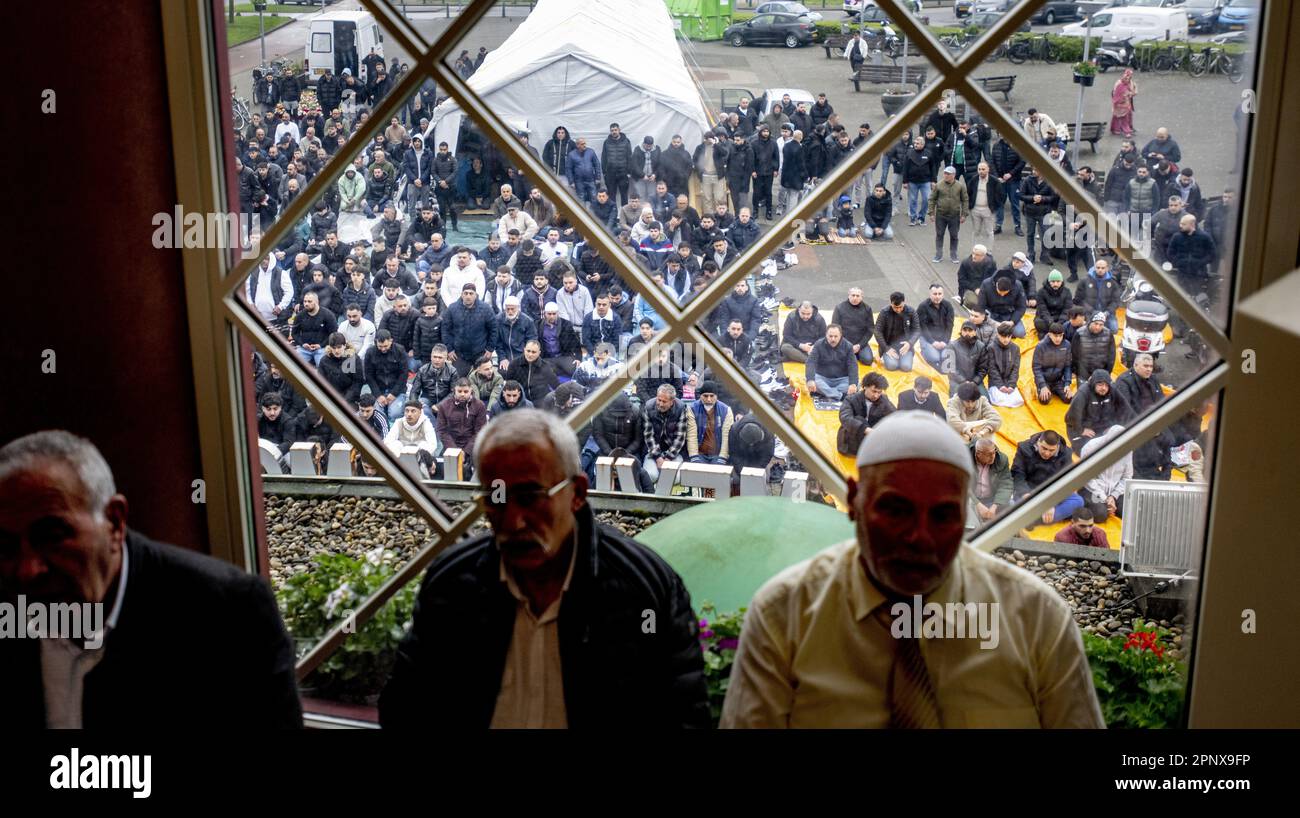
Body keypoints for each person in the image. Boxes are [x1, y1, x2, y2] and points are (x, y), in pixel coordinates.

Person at [721, 411, 1103, 728]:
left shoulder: (1035, 618)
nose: (920, 537)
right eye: (896, 511)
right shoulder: (784, 615)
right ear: (853, 501)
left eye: (942, 515)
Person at [380, 409, 709, 728]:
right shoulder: (453, 585)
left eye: (530, 497)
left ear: (577, 493)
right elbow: (407, 707)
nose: (513, 521)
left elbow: (681, 715)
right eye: (495, 500)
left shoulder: (642, 589)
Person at [0, 432, 303, 728]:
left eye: (52, 537)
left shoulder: (228, 613)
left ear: (115, 523)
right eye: (5, 545)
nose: (28, 569)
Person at [1112, 353, 1177, 480]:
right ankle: (1139, 472)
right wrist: (1147, 427)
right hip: (1133, 425)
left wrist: (1158, 424)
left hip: (1153, 422)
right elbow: (1125, 412)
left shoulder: (1153, 379)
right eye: (1145, 366)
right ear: (1135, 365)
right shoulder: (1124, 381)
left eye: (1151, 366)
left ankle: (1165, 470)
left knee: (1171, 439)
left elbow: (1161, 403)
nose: (1149, 369)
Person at [1011, 430, 1084, 527]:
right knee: (1011, 503)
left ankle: (1033, 519)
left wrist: (1051, 503)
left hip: (1052, 492)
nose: (1047, 453)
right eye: (1044, 448)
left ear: (1057, 447)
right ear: (1038, 442)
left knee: (1078, 501)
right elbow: (1017, 474)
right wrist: (1026, 495)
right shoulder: (1024, 448)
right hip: (1030, 490)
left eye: (1051, 450)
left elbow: (1066, 481)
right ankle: (1039, 518)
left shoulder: (1066, 453)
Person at [1079, 426, 1132, 524]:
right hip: (1093, 490)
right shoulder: (1090, 447)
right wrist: (1104, 498)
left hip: (1114, 491)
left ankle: (1110, 504)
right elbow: (1087, 478)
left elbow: (1127, 477)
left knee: (1128, 512)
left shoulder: (1127, 450)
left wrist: (1113, 496)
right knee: (1100, 514)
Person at [836, 372, 895, 456]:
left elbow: (895, 415)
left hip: (871, 437)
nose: (876, 395)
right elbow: (845, 418)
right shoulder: (851, 399)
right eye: (874, 391)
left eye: (879, 392)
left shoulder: (883, 399)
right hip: (851, 439)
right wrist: (866, 429)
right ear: (865, 386)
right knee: (859, 419)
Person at [643, 383, 688, 486]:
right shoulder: (649, 406)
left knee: (674, 478)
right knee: (650, 475)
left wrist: (668, 458)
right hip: (653, 451)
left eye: (664, 401)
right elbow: (648, 435)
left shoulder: (681, 408)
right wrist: (658, 457)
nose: (661, 404)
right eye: (659, 400)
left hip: (674, 452)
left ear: (672, 402)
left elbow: (680, 438)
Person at [805, 324, 859, 403]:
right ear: (826, 335)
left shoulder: (848, 346)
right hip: (823, 378)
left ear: (840, 335)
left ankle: (825, 392)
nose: (833, 339)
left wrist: (853, 384)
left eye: (836, 336)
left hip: (842, 379)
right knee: (812, 380)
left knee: (856, 384)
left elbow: (853, 365)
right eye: (830, 336)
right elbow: (811, 362)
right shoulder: (818, 344)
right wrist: (810, 380)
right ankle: (840, 396)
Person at [685, 382, 733, 465]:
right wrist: (694, 457)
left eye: (712, 396)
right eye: (705, 396)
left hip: (717, 454)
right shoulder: (692, 409)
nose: (709, 399)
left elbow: (726, 436)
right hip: (700, 453)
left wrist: (722, 458)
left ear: (716, 396)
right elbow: (691, 435)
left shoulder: (726, 410)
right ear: (700, 396)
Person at [1019, 166, 1058, 265]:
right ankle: (1031, 254)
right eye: (1033, 169)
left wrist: (1042, 199)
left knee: (1046, 234)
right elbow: (1021, 195)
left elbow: (1054, 197)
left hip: (1044, 213)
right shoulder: (1028, 180)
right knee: (1030, 234)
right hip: (1030, 212)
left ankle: (1044, 255)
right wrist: (1033, 198)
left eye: (1036, 169)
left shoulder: (1050, 181)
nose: (1034, 171)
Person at [969, 436, 1012, 523]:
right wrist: (978, 505)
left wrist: (995, 506)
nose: (993, 456)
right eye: (989, 454)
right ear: (978, 453)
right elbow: (961, 486)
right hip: (971, 501)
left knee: (1012, 505)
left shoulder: (1002, 459)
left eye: (994, 452)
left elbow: (1006, 484)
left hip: (992, 500)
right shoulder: (964, 457)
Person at [875, 291, 919, 372]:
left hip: (905, 346)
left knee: (906, 367)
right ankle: (889, 357)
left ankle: (904, 359)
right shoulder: (884, 312)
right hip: (889, 345)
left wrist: (910, 343)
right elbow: (877, 331)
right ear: (891, 303)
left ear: (904, 302)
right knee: (892, 366)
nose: (898, 310)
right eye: (895, 307)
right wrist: (886, 348)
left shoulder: (911, 311)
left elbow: (917, 330)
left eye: (901, 307)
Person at [1032, 322, 1074, 405]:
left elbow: (1067, 366)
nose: (1058, 339)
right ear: (1050, 334)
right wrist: (1042, 385)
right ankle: (1044, 388)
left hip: (1058, 380)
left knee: (1069, 399)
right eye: (1055, 336)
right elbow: (1036, 368)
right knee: (1044, 400)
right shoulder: (1041, 346)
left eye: (1060, 336)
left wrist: (1067, 384)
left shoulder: (1067, 345)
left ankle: (1055, 390)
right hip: (1044, 379)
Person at [917, 283, 955, 369]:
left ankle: (938, 350)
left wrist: (945, 341)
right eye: (935, 294)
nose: (937, 296)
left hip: (943, 339)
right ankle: (924, 351)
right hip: (928, 339)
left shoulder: (948, 306)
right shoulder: (922, 307)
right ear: (930, 294)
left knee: (946, 357)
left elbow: (950, 325)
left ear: (943, 294)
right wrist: (932, 342)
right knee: (935, 358)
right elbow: (923, 328)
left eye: (939, 294)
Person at [985, 322, 1023, 408]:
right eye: (1003, 336)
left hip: (1009, 382)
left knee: (1017, 401)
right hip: (995, 382)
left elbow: (1015, 369)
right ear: (998, 335)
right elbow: (992, 369)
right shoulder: (991, 348)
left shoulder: (1015, 348)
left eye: (1008, 337)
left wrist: (1011, 385)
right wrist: (1000, 386)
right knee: (999, 400)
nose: (1006, 339)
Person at [1073, 312, 1116, 383]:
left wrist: (1106, 373)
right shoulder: (1079, 333)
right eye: (1096, 323)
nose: (1097, 327)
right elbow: (1075, 358)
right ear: (1090, 322)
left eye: (1101, 324)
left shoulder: (1108, 334)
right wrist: (1085, 375)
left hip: (1102, 373)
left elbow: (1111, 356)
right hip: (1083, 374)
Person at [901, 135, 935, 226]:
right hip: (912, 181)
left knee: (926, 199)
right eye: (915, 143)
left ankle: (921, 217)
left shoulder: (928, 153)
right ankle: (913, 218)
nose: (915, 145)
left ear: (923, 144)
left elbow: (933, 168)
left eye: (918, 143)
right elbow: (905, 168)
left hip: (925, 181)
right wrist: (905, 181)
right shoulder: (909, 153)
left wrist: (933, 181)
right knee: (912, 200)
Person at [956, 244, 997, 309]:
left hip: (985, 288)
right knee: (973, 303)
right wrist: (975, 289)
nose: (974, 256)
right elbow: (961, 280)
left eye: (977, 255)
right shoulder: (966, 263)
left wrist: (985, 289)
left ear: (984, 256)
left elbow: (994, 278)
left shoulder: (991, 263)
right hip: (970, 288)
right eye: (973, 253)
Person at [1034, 270, 1074, 336]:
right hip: (1046, 318)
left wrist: (1059, 323)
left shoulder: (1067, 292)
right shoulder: (1041, 292)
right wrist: (1051, 323)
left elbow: (1067, 309)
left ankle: (1051, 332)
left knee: (1069, 323)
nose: (1055, 284)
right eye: (1053, 282)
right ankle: (1055, 332)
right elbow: (1042, 310)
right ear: (1049, 282)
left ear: (1062, 282)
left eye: (1058, 281)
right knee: (1038, 323)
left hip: (1060, 317)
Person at [1109, 68, 1138, 138]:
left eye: (1129, 76)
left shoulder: (1130, 83)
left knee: (1126, 115)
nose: (1128, 77)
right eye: (1127, 75)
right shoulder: (1119, 83)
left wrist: (1132, 92)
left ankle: (1119, 129)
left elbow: (1132, 92)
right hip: (1120, 103)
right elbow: (1115, 92)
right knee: (1122, 117)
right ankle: (1126, 131)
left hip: (1125, 103)